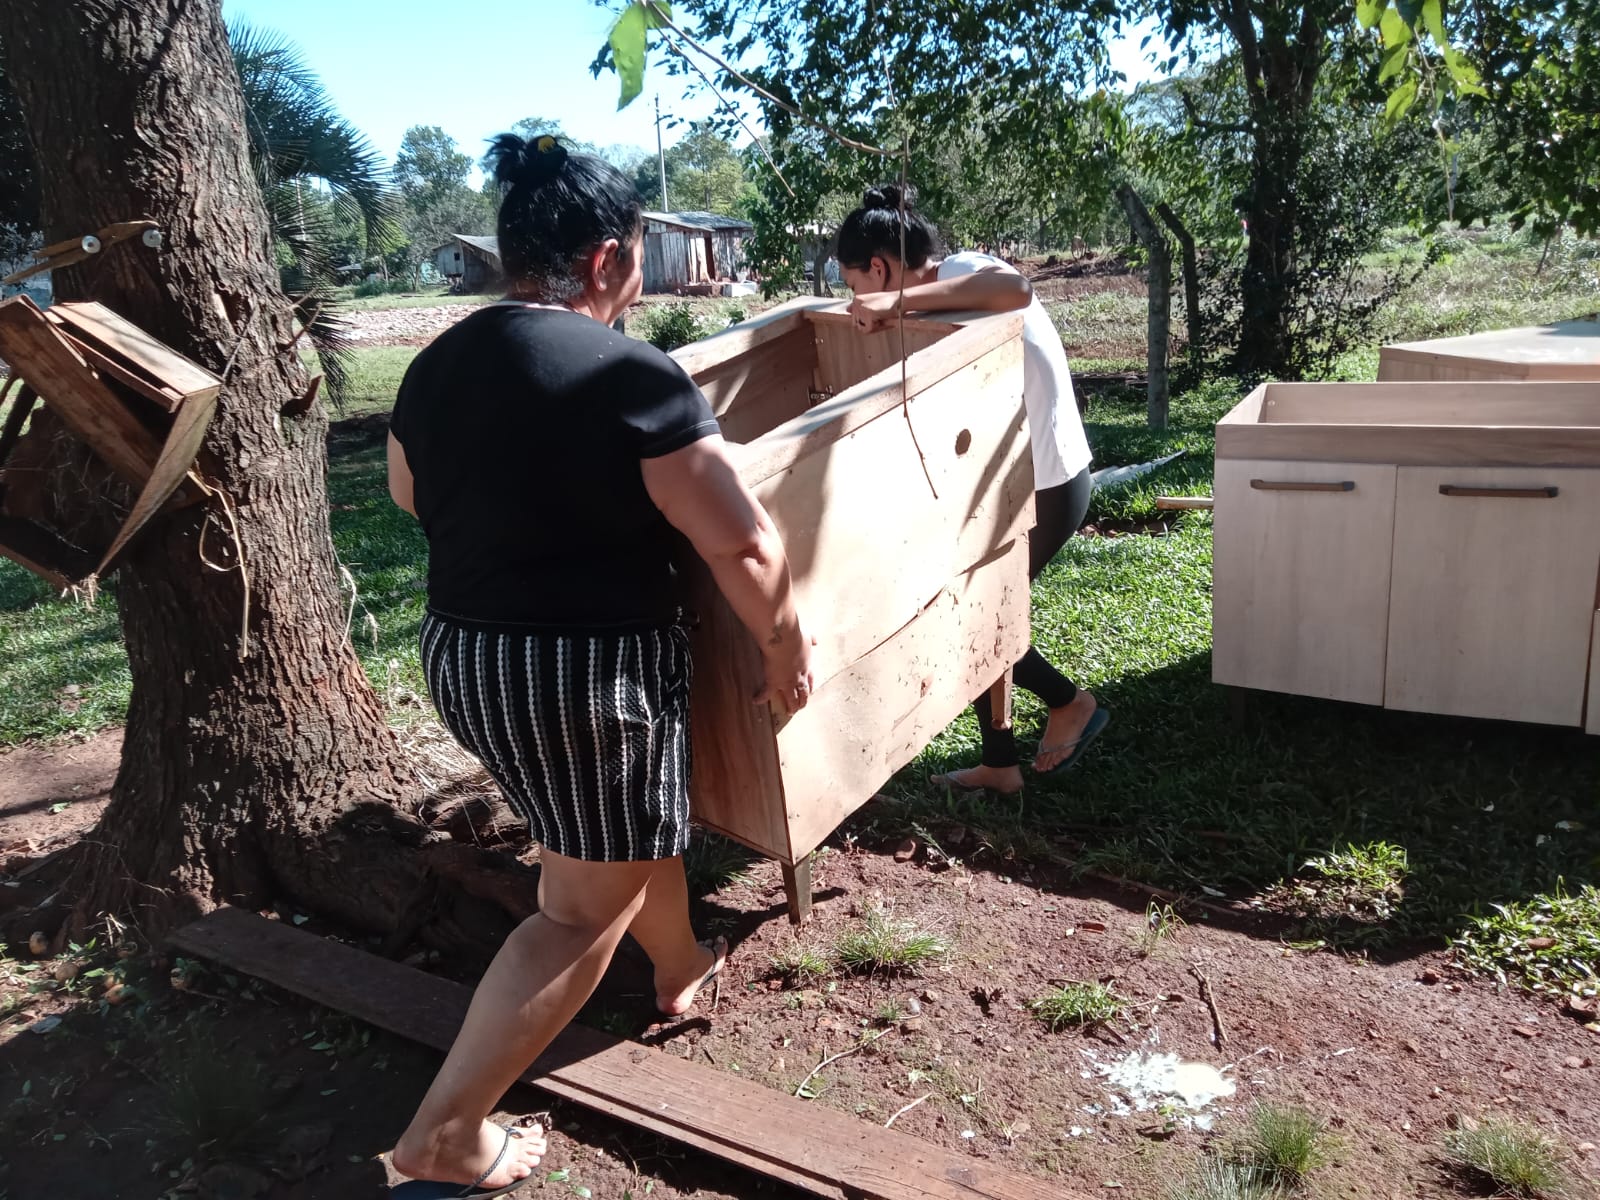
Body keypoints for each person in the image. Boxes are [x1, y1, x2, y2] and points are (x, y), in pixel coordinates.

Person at [384, 133, 815, 1197]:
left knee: (609, 838)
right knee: (574, 909)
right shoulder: (628, 372)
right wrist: (785, 645)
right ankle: (443, 1137)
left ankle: (676, 967)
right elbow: (746, 544)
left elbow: (404, 495)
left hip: (466, 660)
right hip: (584, 682)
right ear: (613, 262)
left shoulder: (436, 364)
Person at [835, 185, 1108, 797]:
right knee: (982, 613)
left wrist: (892, 304)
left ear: (879, 267)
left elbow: (1017, 291)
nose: (857, 298)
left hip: (1050, 485)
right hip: (1013, 487)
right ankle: (1000, 763)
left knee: (976, 620)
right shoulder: (932, 305)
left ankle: (1070, 705)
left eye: (856, 283)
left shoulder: (963, 271)